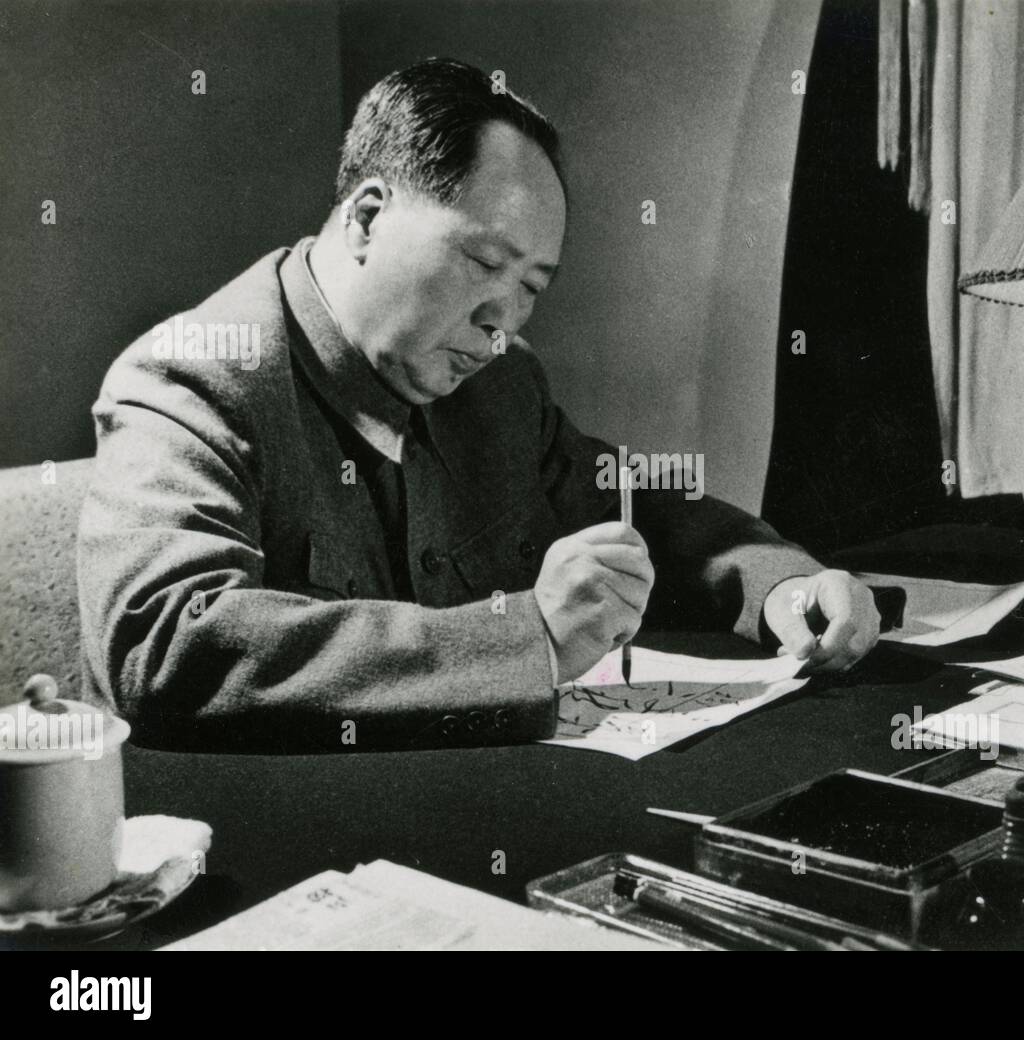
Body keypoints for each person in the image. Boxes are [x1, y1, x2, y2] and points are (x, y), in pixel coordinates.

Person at [77, 58, 880, 752]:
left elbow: (638, 509)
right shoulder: (192, 377)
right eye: (483, 262)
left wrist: (786, 587)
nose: (502, 324)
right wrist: (526, 638)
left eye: (530, 288)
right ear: (366, 217)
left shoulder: (501, 384)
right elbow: (165, 643)